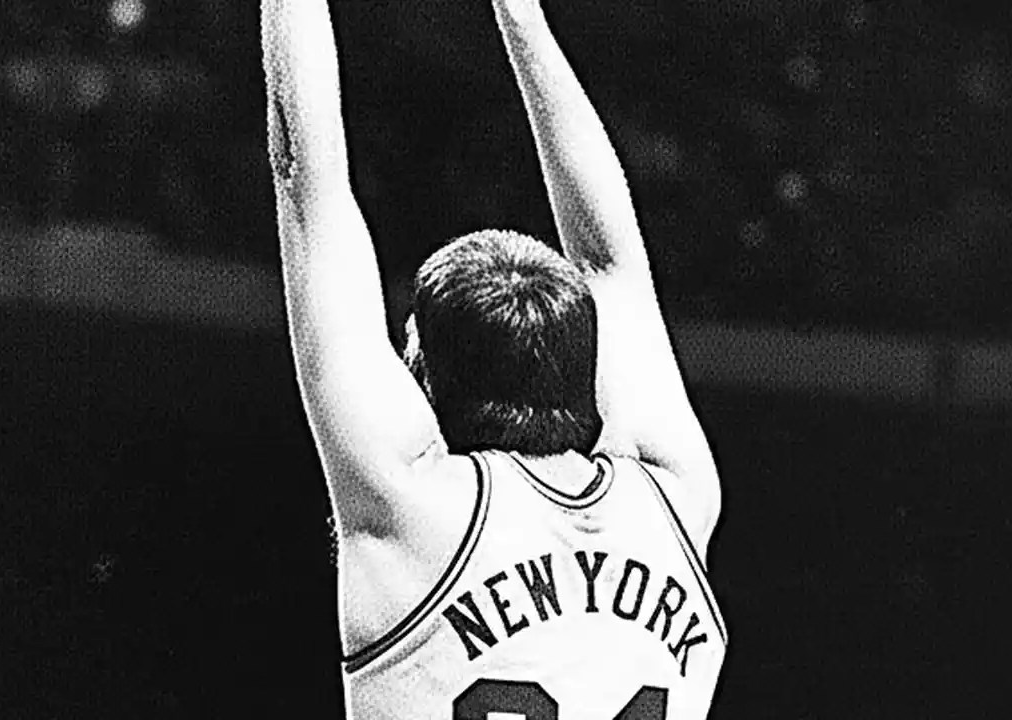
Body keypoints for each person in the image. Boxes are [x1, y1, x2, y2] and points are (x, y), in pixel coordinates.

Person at [261, 0, 727, 717]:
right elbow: (611, 265)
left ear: (429, 380)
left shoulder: (410, 505)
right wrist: (521, 12)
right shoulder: (673, 498)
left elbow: (304, 181)